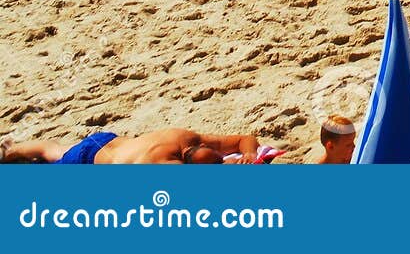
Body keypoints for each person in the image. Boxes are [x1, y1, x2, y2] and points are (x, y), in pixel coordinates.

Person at [3, 129, 262, 165]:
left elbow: (243, 139)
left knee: (52, 150)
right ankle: (10, 155)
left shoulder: (187, 138)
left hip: (104, 140)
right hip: (88, 163)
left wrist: (249, 152)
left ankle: (10, 149)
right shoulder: (163, 165)